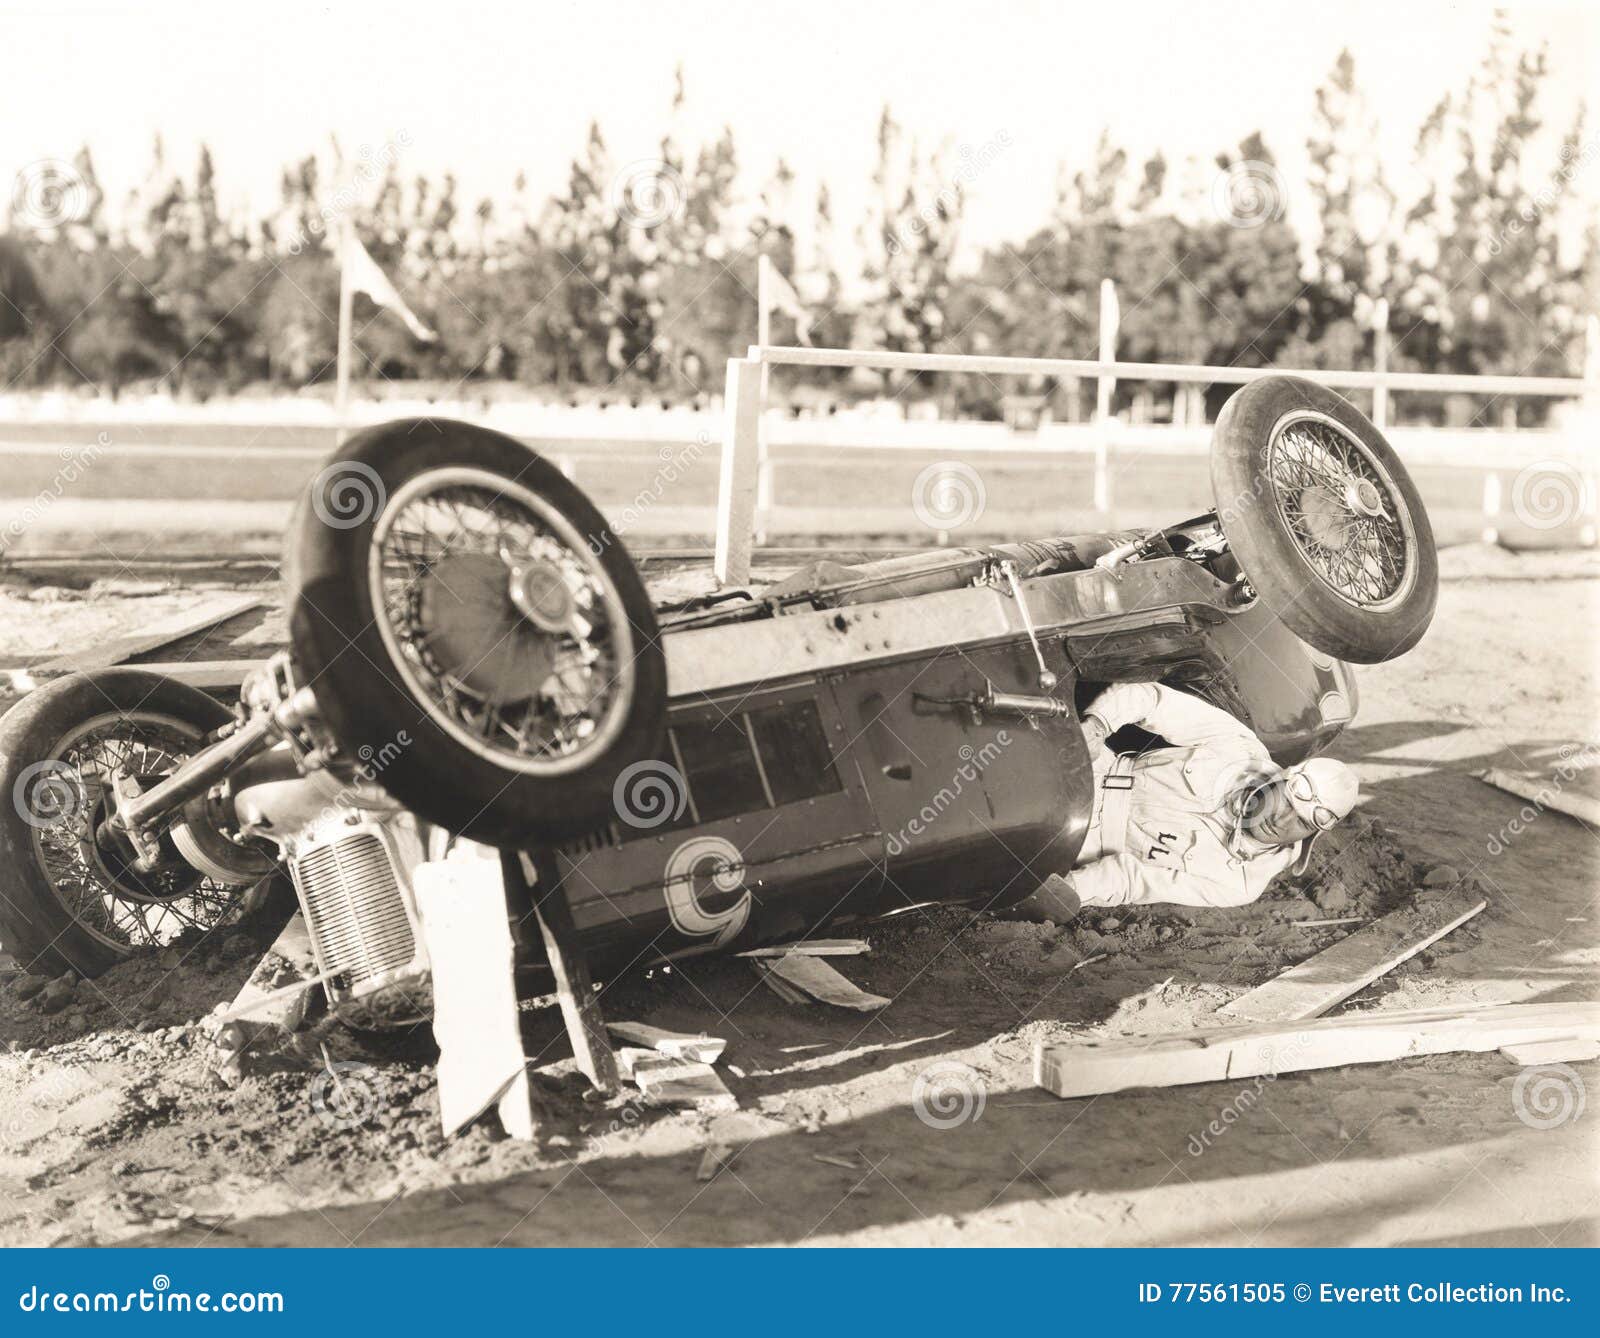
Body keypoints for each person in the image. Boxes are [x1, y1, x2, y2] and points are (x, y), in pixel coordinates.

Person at [1012, 682, 1360, 920]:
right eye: (1286, 802)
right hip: (1089, 764)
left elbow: (1133, 881)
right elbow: (1153, 700)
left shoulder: (1239, 884)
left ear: (1313, 834)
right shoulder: (1238, 747)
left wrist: (1071, 889)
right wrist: (1098, 727)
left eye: (1302, 822)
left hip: (1076, 841)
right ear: (1280, 779)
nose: (1281, 821)